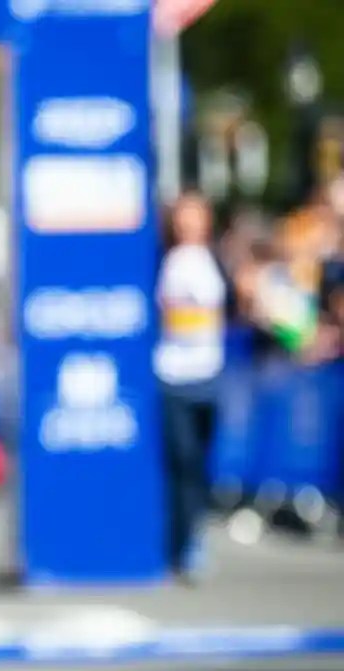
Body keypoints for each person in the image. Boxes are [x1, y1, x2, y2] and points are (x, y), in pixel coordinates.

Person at [154, 193, 226, 581]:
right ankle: (180, 546)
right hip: (174, 376)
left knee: (201, 465)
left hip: (208, 374)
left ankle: (193, 534)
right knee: (182, 464)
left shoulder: (214, 260)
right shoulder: (166, 261)